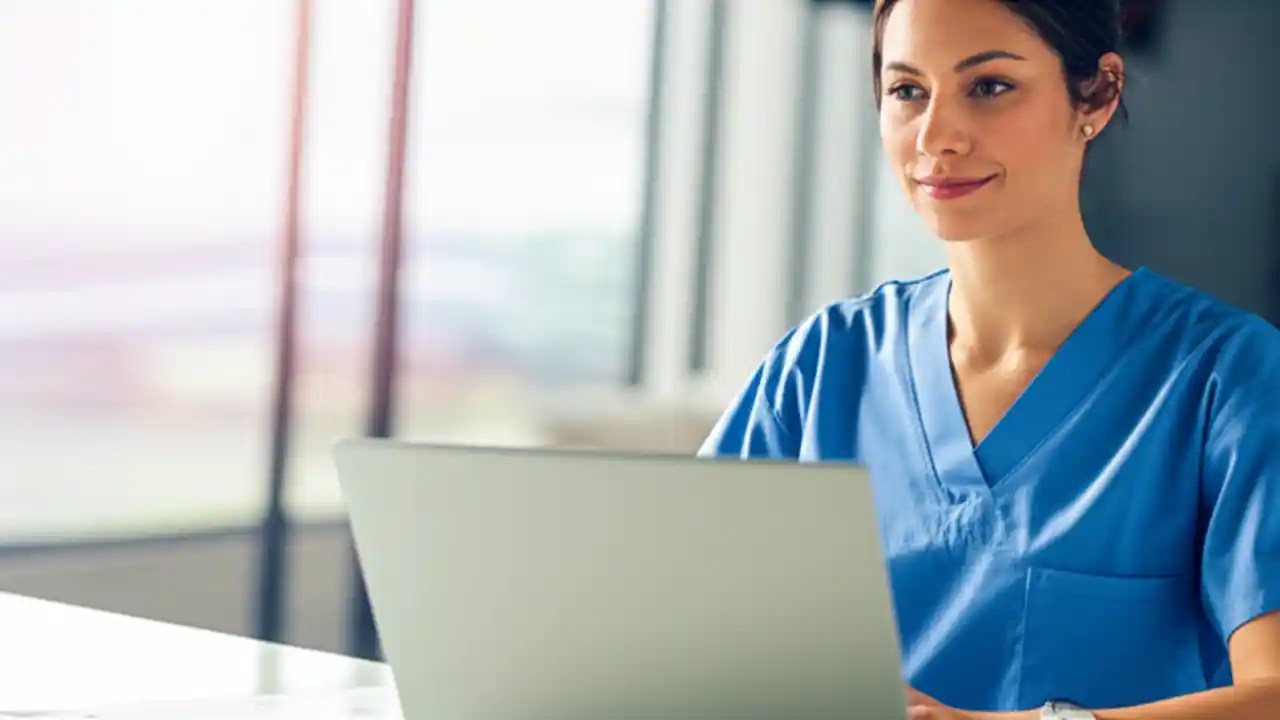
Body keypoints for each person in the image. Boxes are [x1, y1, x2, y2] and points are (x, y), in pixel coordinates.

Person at [698, 0, 1280, 718]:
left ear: (1097, 94)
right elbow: (677, 633)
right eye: (907, 90)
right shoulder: (820, 367)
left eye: (989, 87)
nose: (936, 136)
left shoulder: (1227, 378)